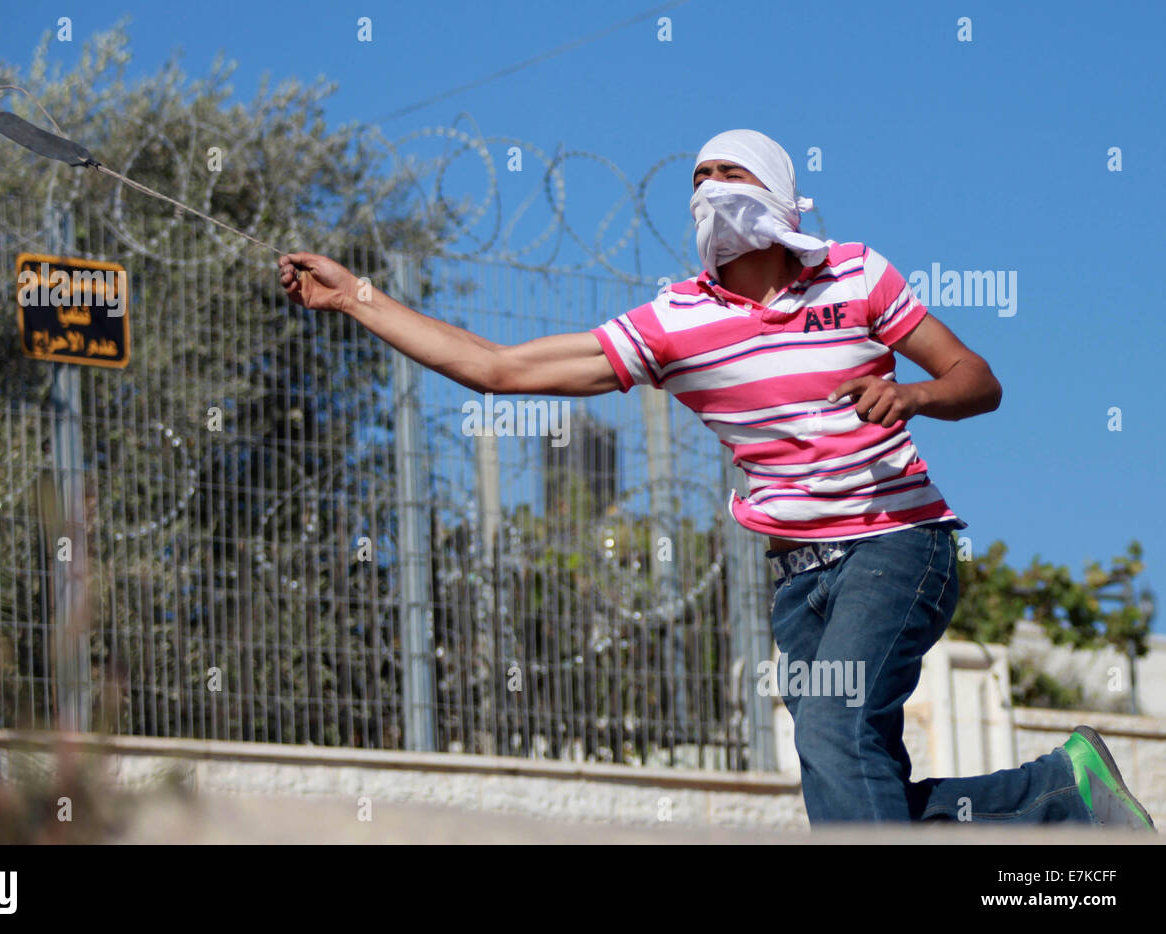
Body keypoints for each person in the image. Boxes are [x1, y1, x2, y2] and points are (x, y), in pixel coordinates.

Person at [277, 129, 1155, 829]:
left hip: (899, 546)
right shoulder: (678, 324)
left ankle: (1059, 796)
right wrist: (357, 297)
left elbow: (980, 379)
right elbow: (498, 369)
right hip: (796, 583)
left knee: (835, 731)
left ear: (776, 192)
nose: (711, 188)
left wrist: (912, 392)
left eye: (730, 172)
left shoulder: (857, 274)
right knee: (852, 798)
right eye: (698, 178)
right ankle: (1062, 794)